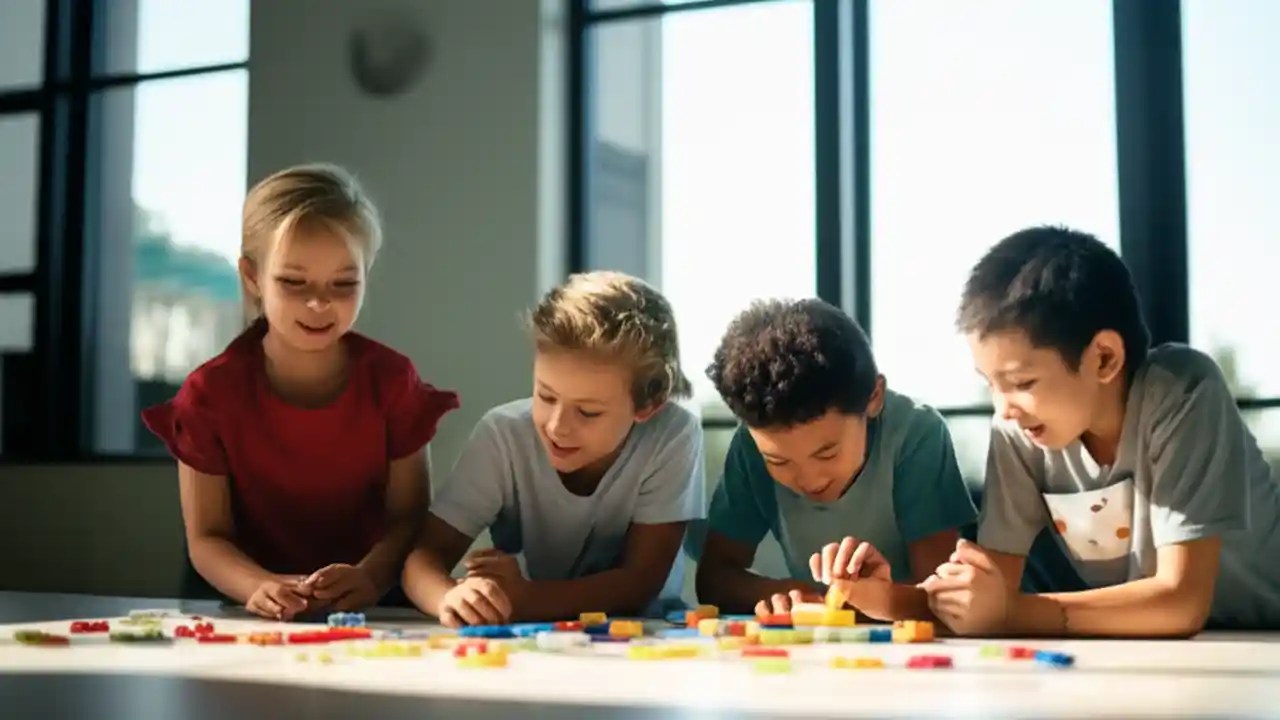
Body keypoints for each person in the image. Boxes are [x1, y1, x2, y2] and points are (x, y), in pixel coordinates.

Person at [922, 225, 1280, 636]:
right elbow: (993, 592)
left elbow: (1181, 603)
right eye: (991, 383)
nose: (1003, 410)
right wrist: (887, 598)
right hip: (1150, 648)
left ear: (1104, 358)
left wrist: (1010, 612)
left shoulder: (1182, 391)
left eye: (1022, 383)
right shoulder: (1019, 429)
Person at [143, 163, 458, 621]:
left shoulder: (392, 381)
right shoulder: (209, 396)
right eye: (293, 282)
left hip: (378, 610)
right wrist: (259, 584)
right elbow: (208, 538)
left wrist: (370, 576)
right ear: (252, 277)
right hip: (246, 611)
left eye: (344, 283)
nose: (319, 303)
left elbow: (409, 518)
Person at [402, 271, 705, 626]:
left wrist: (526, 598)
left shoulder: (672, 433)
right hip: (540, 632)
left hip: (648, 631)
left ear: (648, 404)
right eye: (545, 395)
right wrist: (448, 597)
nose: (556, 425)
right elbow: (421, 557)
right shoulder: (503, 435)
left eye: (588, 412)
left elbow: (640, 582)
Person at [694, 298, 977, 621]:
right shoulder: (750, 447)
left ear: (873, 397)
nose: (809, 480)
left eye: (827, 452)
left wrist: (873, 598)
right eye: (779, 462)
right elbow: (713, 579)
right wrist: (784, 593)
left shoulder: (914, 435)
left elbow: (943, 597)